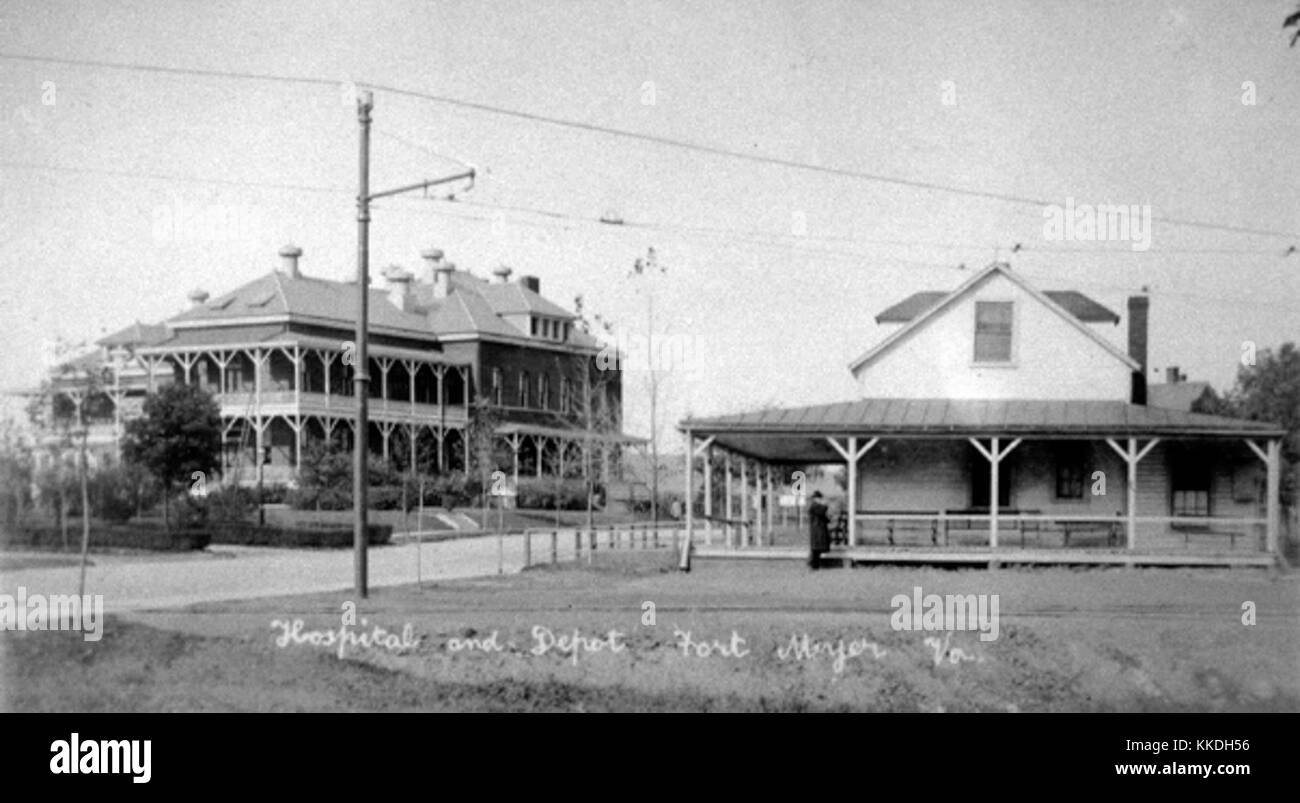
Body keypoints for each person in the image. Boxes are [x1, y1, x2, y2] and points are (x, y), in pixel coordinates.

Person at [808, 490, 830, 570]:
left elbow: (823, 516)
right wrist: (826, 504)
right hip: (817, 529)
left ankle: (814, 564)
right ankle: (813, 564)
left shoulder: (815, 506)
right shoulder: (815, 506)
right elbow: (822, 511)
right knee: (815, 548)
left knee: (816, 548)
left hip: (818, 529)